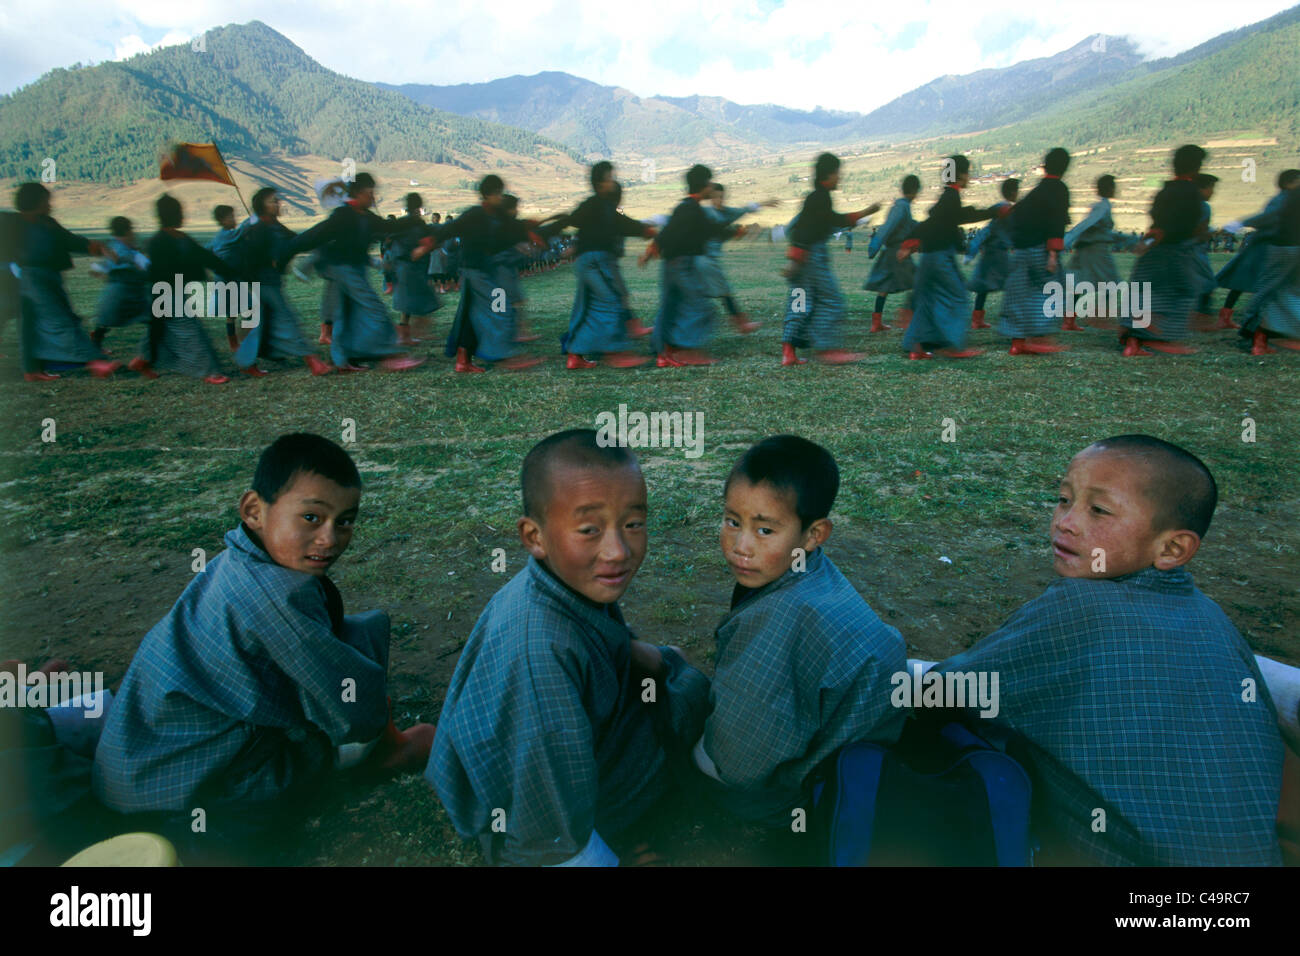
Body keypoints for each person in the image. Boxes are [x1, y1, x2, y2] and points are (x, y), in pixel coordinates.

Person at [929, 435, 1284, 865]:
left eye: (1098, 510)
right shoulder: (1214, 620)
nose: (1066, 522)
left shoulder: (1081, 608)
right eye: (1063, 499)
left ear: (1173, 548)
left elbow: (944, 690)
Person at [93, 433, 435, 862]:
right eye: (312, 517)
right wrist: (372, 721)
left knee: (354, 638)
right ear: (254, 510)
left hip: (135, 766)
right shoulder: (276, 594)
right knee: (346, 698)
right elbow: (353, 710)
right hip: (180, 798)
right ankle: (389, 753)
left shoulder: (237, 560)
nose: (330, 538)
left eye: (345, 521)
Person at [427, 430, 710, 865]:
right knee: (692, 708)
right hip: (523, 812)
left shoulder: (564, 584)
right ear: (534, 537)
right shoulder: (541, 655)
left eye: (633, 524)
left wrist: (639, 656)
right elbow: (543, 822)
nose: (617, 550)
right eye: (589, 529)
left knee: (671, 672)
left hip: (562, 752)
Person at [695, 435, 907, 824]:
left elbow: (740, 764)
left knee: (667, 708)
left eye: (765, 531)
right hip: (867, 756)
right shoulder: (810, 574)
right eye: (732, 521)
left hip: (801, 796)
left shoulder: (779, 620)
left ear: (814, 535)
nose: (740, 546)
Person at [286, 173, 424, 373]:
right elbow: (315, 235)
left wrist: (413, 220)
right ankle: (388, 353)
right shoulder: (343, 215)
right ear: (359, 193)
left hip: (351, 268)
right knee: (374, 308)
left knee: (344, 314)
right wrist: (288, 250)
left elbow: (388, 227)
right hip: (343, 268)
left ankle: (342, 361)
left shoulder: (365, 217)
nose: (373, 197)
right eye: (370, 193)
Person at [642, 164, 757, 367]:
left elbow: (668, 232)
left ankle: (662, 352)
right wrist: (735, 232)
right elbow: (710, 229)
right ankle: (687, 350)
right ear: (703, 185)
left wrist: (652, 250)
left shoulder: (683, 207)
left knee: (669, 308)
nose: (712, 186)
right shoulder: (694, 210)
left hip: (669, 266)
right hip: (682, 266)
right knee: (701, 307)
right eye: (710, 182)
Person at [545, 163, 657, 369]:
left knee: (586, 308)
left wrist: (644, 230)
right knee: (611, 301)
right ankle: (616, 351)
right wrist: (542, 233)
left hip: (588, 262)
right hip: (596, 261)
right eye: (609, 178)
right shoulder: (596, 205)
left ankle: (575, 356)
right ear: (599, 184)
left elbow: (622, 224)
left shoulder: (602, 207)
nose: (613, 181)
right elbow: (572, 220)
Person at [432, 176, 543, 372]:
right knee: (500, 308)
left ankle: (463, 360)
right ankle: (502, 355)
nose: (501, 198)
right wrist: (427, 244)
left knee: (472, 315)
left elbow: (513, 229)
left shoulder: (497, 216)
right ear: (490, 195)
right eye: (499, 193)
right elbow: (450, 228)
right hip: (475, 272)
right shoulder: (474, 214)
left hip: (484, 271)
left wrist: (528, 231)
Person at [12, 182, 120, 382]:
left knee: (39, 323)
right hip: (30, 278)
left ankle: (35, 369)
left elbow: (71, 240)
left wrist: (97, 247)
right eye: (46, 201)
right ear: (35, 201)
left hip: (50, 277)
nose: (50, 205)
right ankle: (95, 362)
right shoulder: (13, 223)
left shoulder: (48, 223)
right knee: (59, 319)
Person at [779, 153, 880, 366]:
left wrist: (794, 259)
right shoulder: (821, 198)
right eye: (837, 174)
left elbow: (802, 228)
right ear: (829, 174)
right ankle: (828, 348)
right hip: (812, 257)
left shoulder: (813, 198)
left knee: (799, 303)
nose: (839, 179)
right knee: (831, 301)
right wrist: (865, 212)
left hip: (801, 258)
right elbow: (832, 221)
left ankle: (789, 352)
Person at [898, 155, 1000, 360]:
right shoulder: (951, 197)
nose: (969, 176)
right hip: (939, 256)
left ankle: (916, 347)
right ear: (961, 175)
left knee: (928, 300)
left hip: (931, 256)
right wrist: (992, 212)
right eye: (967, 172)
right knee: (957, 296)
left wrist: (911, 242)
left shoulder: (948, 196)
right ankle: (951, 344)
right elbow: (953, 219)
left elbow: (941, 222)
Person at [127, 193, 236, 384]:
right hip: (166, 293)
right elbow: (165, 271)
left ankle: (142, 360)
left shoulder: (176, 238)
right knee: (190, 330)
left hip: (170, 291)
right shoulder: (161, 242)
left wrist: (229, 271)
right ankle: (208, 371)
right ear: (173, 214)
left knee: (159, 329)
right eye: (179, 211)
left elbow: (206, 258)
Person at [232, 187, 332, 377]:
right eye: (273, 201)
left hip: (270, 282)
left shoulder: (275, 227)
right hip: (261, 284)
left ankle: (247, 363)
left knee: (259, 325)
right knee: (286, 320)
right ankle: (313, 361)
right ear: (262, 206)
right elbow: (249, 259)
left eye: (277, 200)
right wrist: (269, 262)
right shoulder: (258, 229)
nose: (277, 204)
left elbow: (298, 242)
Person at [1123, 145, 1208, 357]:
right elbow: (1188, 224)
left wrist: (1154, 236)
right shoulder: (1191, 193)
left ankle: (1133, 339)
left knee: (1144, 292)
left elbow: (1156, 216)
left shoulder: (1165, 190)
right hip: (1176, 249)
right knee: (1183, 291)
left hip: (1155, 247)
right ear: (1196, 167)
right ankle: (1163, 338)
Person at [999, 148, 1071, 356]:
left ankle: (1017, 341)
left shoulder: (1036, 192)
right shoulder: (1059, 189)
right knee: (1049, 290)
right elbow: (1056, 223)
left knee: (1020, 294)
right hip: (1041, 249)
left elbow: (1015, 214)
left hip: (1021, 250)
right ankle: (1040, 338)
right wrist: (1053, 254)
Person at [1214, 169, 1300, 329]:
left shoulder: (1286, 198)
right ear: (1289, 182)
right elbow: (1269, 218)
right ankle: (1249, 324)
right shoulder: (1284, 199)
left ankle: (1234, 319)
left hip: (1269, 245)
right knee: (1252, 283)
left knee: (1245, 282)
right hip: (1267, 246)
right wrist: (1240, 224)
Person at [700, 183, 777, 335]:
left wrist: (764, 203)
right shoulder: (705, 213)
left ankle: (740, 324)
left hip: (709, 260)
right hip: (703, 260)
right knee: (723, 292)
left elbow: (745, 209)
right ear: (710, 198)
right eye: (716, 197)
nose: (719, 200)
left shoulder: (727, 212)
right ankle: (741, 324)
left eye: (721, 197)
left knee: (715, 292)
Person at [1238, 178, 1300, 355]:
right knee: (1270, 291)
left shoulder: (1293, 193)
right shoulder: (1292, 195)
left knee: (1285, 292)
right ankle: (1254, 335)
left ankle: (1267, 336)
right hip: (1286, 246)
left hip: (1287, 246)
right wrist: (1242, 223)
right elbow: (1272, 217)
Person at [864, 175, 920, 333]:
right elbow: (888, 227)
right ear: (915, 191)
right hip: (897, 251)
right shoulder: (901, 207)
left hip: (893, 251)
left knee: (884, 287)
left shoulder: (903, 206)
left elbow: (907, 226)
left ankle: (877, 323)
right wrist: (874, 247)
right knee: (918, 281)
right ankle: (907, 317)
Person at [1063, 175, 1121, 325]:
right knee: (1110, 282)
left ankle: (1069, 320)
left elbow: (1098, 230)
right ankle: (1100, 316)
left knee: (1079, 283)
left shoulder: (1102, 205)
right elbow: (1086, 224)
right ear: (1109, 188)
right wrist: (1068, 238)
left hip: (1089, 248)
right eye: (1113, 186)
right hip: (1096, 250)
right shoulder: (1102, 206)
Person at [89, 216, 151, 353]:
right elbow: (145, 266)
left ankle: (95, 344)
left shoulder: (112, 245)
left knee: (105, 319)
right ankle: (150, 351)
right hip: (127, 290)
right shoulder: (126, 250)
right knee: (153, 318)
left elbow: (101, 267)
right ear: (128, 230)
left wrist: (100, 269)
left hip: (117, 290)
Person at [965, 178, 1020, 330]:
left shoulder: (1004, 208)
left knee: (984, 286)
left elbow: (987, 230)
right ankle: (1011, 317)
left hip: (992, 252)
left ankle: (977, 319)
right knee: (1011, 283)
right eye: (1017, 190)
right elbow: (990, 230)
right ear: (1013, 192)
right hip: (998, 254)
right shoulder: (1004, 209)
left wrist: (973, 251)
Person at [391, 193, 441, 346]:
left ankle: (406, 335)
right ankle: (415, 332)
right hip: (410, 267)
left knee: (408, 304)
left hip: (408, 266)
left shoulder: (407, 224)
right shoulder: (415, 225)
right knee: (425, 300)